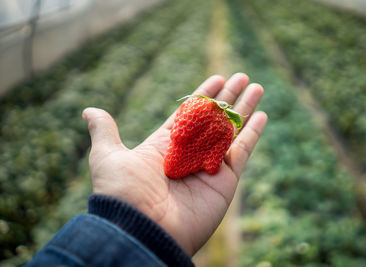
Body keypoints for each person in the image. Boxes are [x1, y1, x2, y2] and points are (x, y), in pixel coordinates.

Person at [26, 73, 268, 266]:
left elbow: (208, 158)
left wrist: (118, 221)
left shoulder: (212, 121)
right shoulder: (222, 129)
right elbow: (210, 160)